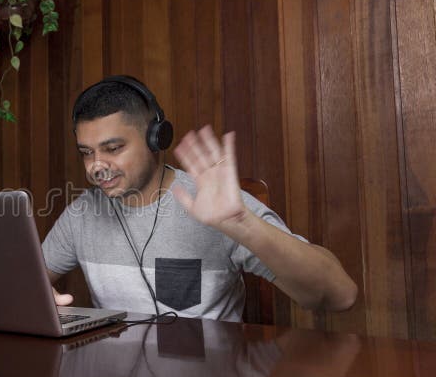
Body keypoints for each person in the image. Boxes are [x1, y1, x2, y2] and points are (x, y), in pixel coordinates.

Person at [43, 75, 357, 321]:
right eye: (87, 153)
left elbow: (340, 296)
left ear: (156, 138)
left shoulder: (215, 200)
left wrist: (243, 225)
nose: (97, 166)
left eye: (113, 149)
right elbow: (27, 283)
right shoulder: (81, 214)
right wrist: (31, 298)